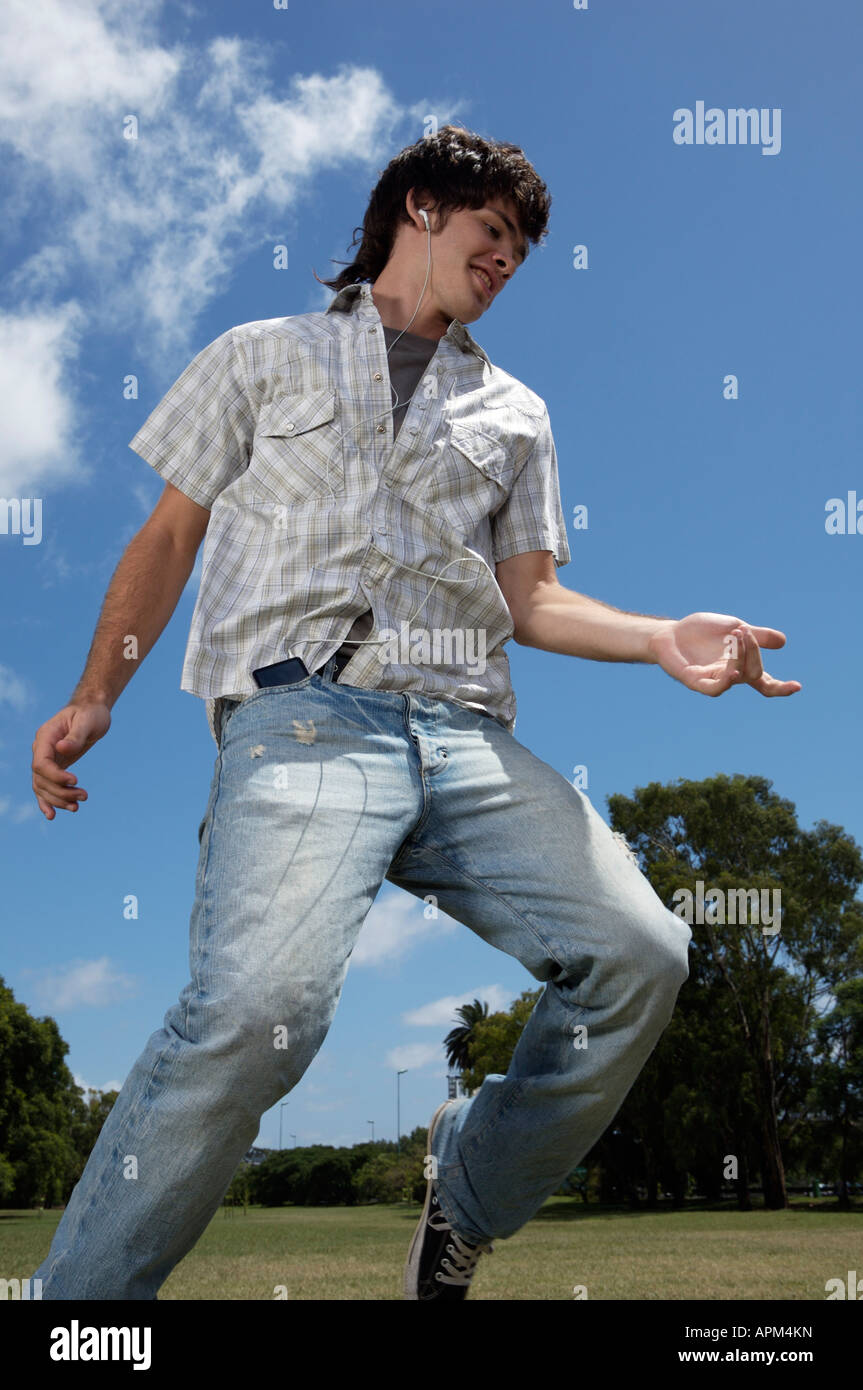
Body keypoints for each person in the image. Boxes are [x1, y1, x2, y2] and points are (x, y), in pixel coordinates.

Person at [29, 125, 800, 1302]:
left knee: (640, 953)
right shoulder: (259, 355)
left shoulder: (515, 412)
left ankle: (467, 1186)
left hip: (462, 735)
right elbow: (168, 535)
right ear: (423, 209)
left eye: (522, 255)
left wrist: (657, 639)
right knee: (256, 1011)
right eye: (493, 235)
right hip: (302, 723)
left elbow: (528, 598)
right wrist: (96, 692)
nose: (505, 265)